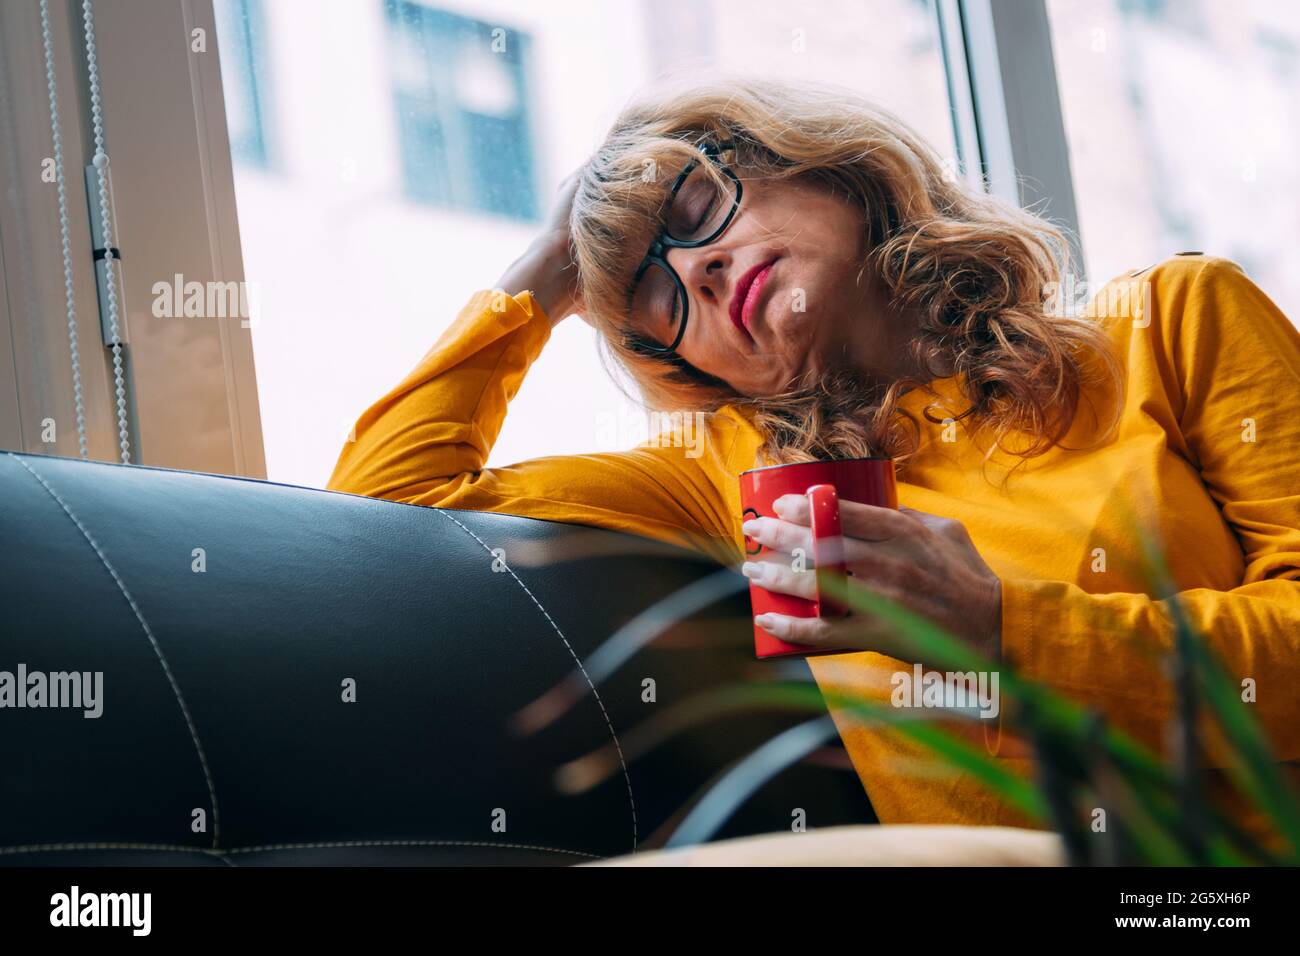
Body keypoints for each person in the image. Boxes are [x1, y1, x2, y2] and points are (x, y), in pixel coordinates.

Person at [329, 75, 1300, 841]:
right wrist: (545, 273)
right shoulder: (734, 477)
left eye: (694, 207)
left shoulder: (1171, 322)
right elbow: (387, 504)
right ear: (696, 367)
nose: (699, 270)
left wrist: (997, 625)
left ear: (811, 161)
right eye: (660, 302)